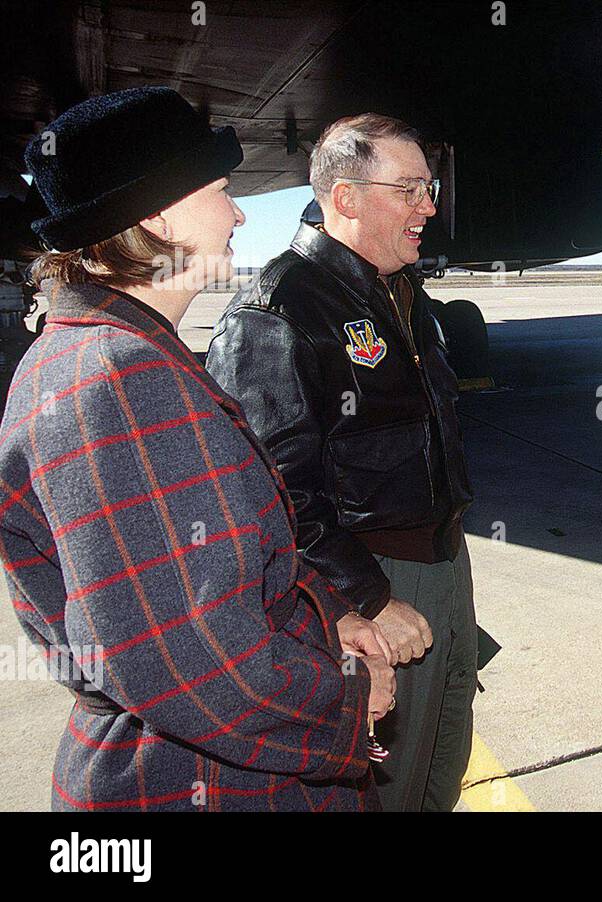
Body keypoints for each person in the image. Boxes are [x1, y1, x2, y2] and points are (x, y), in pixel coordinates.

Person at [0, 86, 395, 811]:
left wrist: (331, 614)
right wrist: (345, 699)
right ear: (155, 215)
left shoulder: (105, 352)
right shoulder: (122, 383)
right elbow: (194, 664)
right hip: (207, 784)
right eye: (220, 190)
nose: (240, 212)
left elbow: (221, 576)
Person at [205, 113, 476, 812]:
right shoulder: (276, 311)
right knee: (380, 785)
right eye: (410, 189)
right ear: (347, 198)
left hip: (441, 562)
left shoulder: (401, 291)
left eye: (430, 186)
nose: (430, 206)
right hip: (371, 580)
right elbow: (274, 493)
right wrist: (370, 598)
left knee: (439, 768)